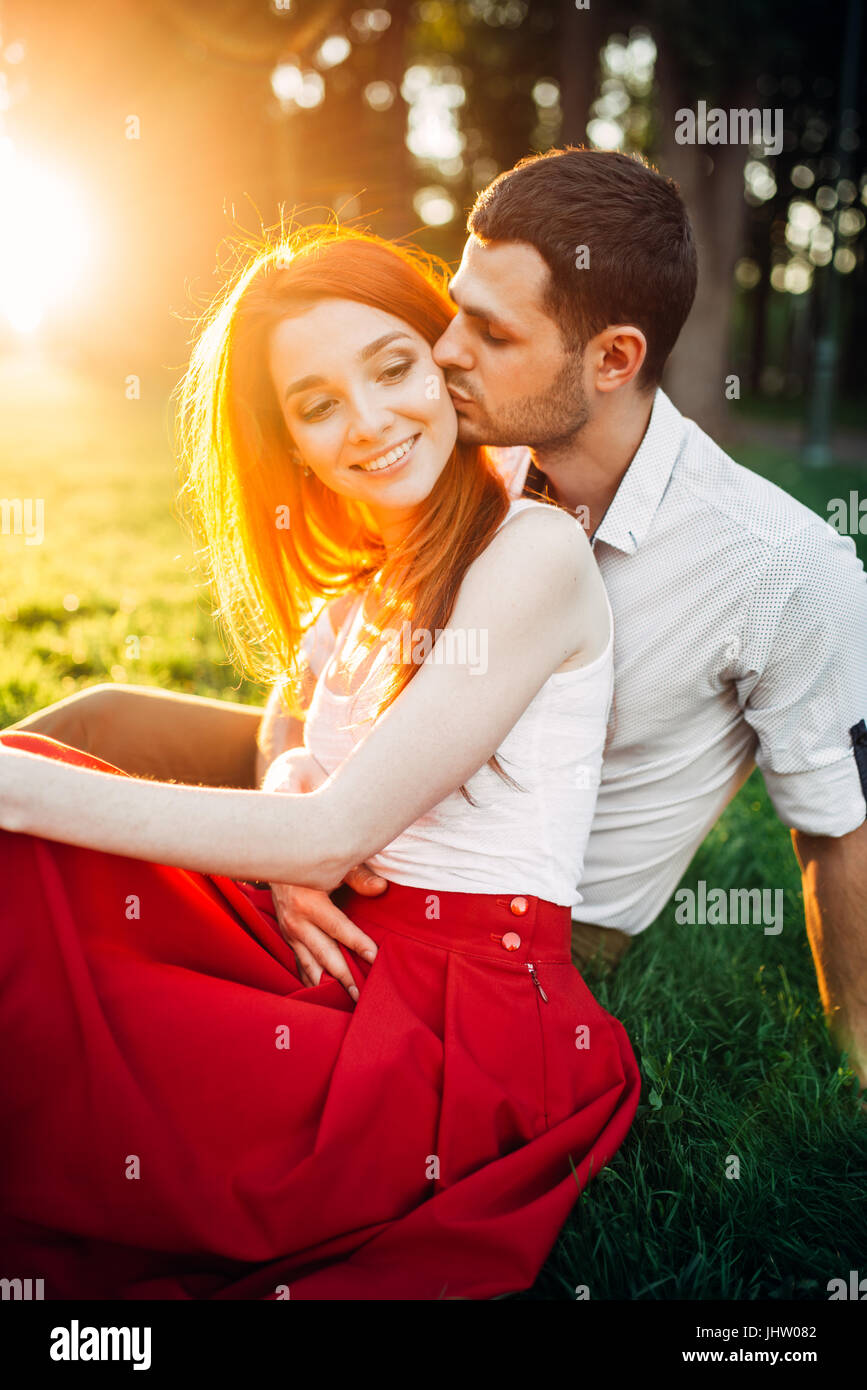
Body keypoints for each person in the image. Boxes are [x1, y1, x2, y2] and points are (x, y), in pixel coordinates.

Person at [14, 147, 867, 1085]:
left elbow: (836, 824)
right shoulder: (461, 443)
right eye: (457, 307)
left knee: (88, 909)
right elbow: (312, 680)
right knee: (100, 725)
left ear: (614, 358)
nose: (446, 348)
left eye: (491, 332)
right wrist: (290, 785)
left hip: (501, 909)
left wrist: (854, 1060)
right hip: (367, 804)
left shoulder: (779, 565)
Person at [0, 225, 640, 1301]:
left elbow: (338, 835)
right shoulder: (350, 602)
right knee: (36, 893)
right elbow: (286, 746)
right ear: (290, 441)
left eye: (392, 368)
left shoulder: (535, 554)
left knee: (25, 828)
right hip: (330, 949)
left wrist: (17, 786)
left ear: (447, 357)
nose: (370, 421)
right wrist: (294, 783)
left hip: (451, 1024)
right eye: (317, 403)